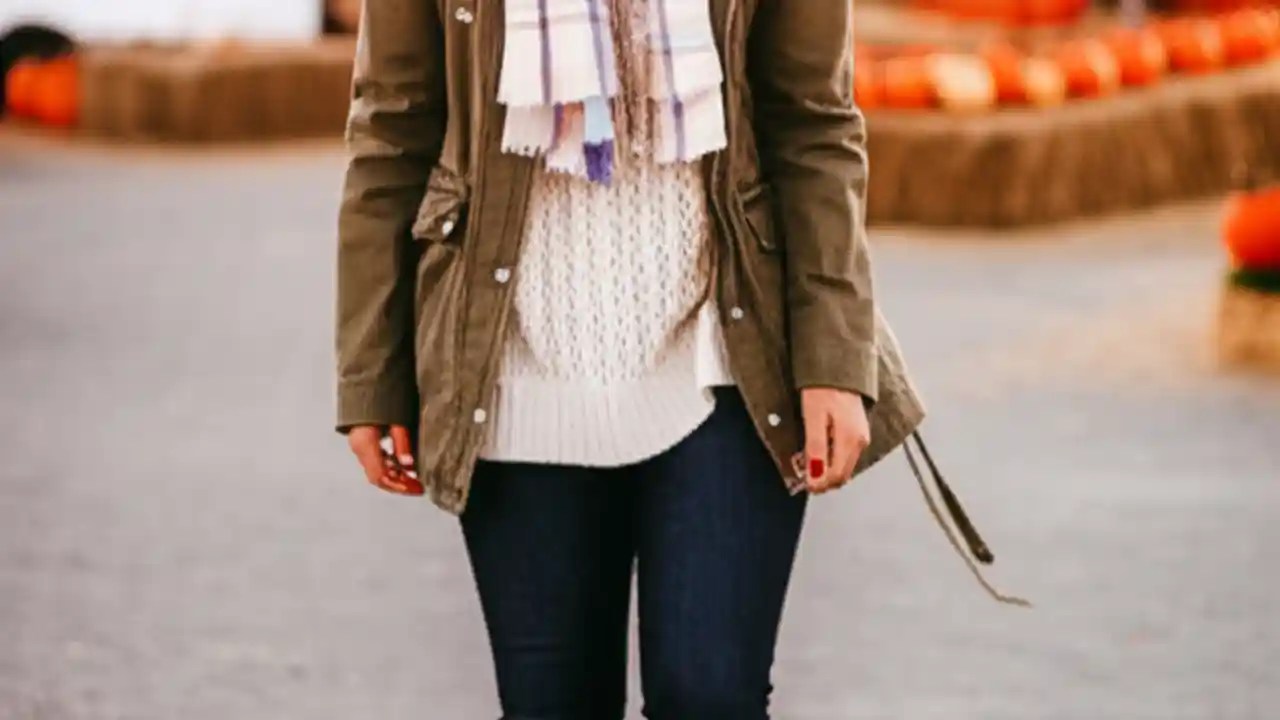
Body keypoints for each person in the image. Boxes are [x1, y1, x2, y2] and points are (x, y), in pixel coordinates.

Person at [335, 1, 1010, 717]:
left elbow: (814, 123)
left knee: (709, 695)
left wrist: (834, 358)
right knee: (551, 703)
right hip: (517, 367)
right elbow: (392, 128)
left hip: (723, 350)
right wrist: (371, 376)